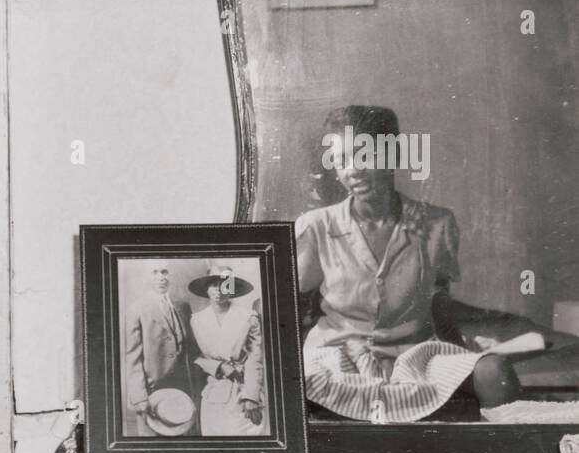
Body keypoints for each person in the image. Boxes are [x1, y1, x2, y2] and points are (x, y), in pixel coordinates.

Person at [296, 105, 523, 422]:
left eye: (364, 156)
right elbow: (291, 306)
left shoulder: (437, 223)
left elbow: (439, 303)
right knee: (291, 385)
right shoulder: (316, 226)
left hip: (411, 358)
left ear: (393, 157)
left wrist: (464, 351)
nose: (352, 171)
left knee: (493, 369)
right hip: (337, 357)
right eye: (341, 160)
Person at [188, 265, 268, 435]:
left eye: (225, 284)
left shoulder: (248, 317)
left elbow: (256, 357)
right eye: (213, 284)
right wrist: (218, 367)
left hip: (243, 391)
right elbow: (194, 356)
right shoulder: (197, 320)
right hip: (213, 393)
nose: (219, 289)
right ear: (206, 289)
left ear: (231, 289)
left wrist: (251, 396)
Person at [124, 259, 196, 435]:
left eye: (164, 272)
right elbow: (132, 357)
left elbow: (190, 350)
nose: (161, 277)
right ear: (145, 277)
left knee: (182, 450)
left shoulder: (182, 307)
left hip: (182, 391)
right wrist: (139, 397)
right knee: (153, 452)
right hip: (152, 395)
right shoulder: (137, 309)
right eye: (154, 272)